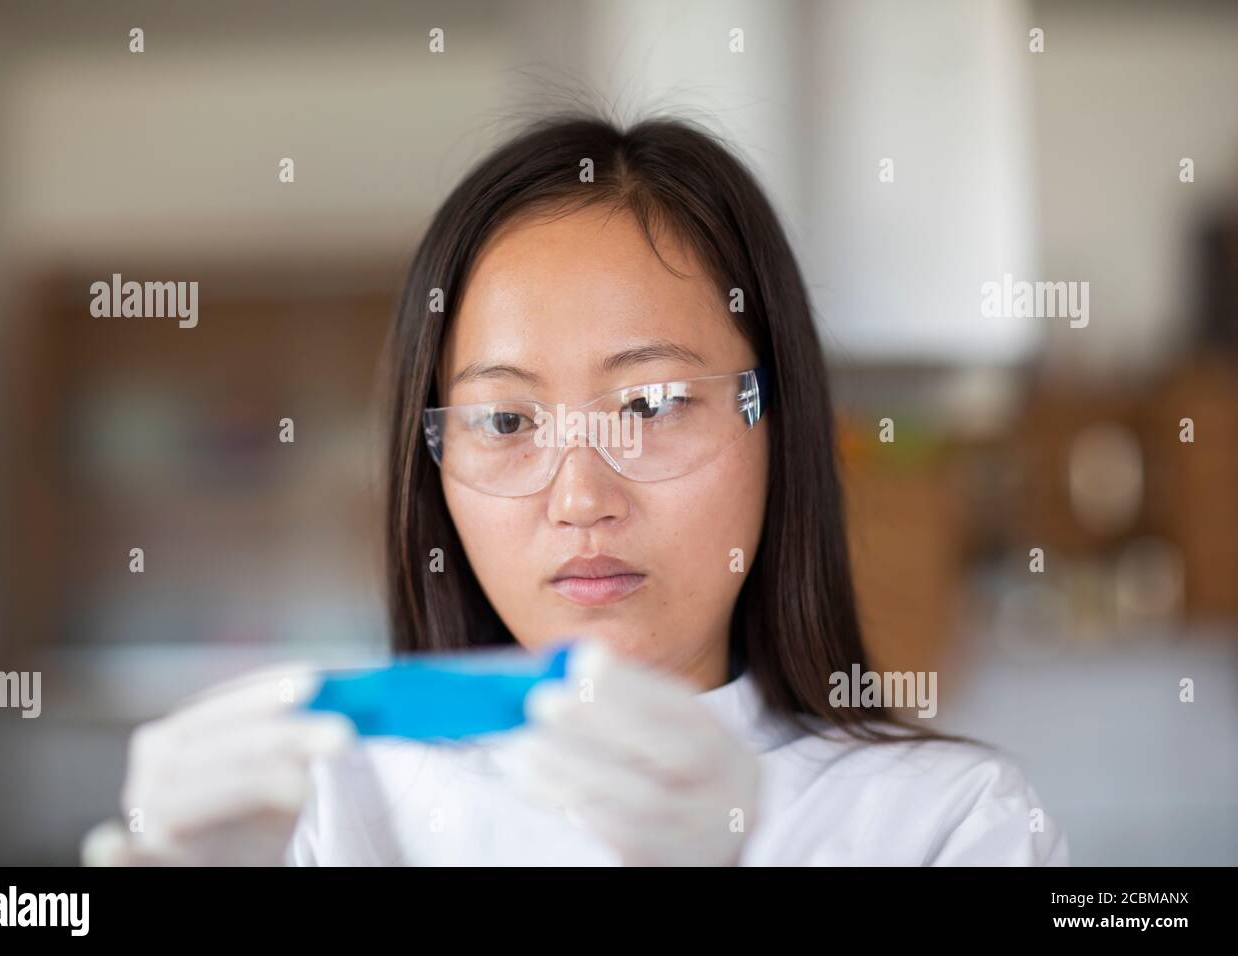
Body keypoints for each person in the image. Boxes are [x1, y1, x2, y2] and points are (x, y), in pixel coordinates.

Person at [82, 114, 1069, 867]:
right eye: (507, 422)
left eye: (651, 403)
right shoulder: (332, 812)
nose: (580, 496)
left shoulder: (944, 821)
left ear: (780, 422)